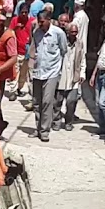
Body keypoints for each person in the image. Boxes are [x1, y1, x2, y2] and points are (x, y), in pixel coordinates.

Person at [27, 9, 68, 141]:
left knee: (47, 101)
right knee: (37, 102)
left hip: (52, 72)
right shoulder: (36, 32)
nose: (40, 24)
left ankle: (45, 130)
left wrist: (59, 70)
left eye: (42, 21)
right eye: (39, 21)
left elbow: (63, 50)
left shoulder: (58, 33)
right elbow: (35, 49)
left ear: (49, 20)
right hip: (38, 71)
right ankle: (38, 128)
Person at [54, 21, 87, 131]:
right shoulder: (61, 42)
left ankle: (68, 122)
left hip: (74, 77)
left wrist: (82, 73)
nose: (74, 34)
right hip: (61, 76)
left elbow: (82, 59)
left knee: (71, 102)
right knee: (57, 102)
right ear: (67, 32)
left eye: (76, 32)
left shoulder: (80, 43)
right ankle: (56, 122)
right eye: (72, 32)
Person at [9, 8, 33, 98]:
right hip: (17, 51)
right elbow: (9, 32)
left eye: (25, 12)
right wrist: (16, 28)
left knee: (24, 73)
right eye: (22, 12)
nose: (23, 14)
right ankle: (13, 91)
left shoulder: (32, 21)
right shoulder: (15, 20)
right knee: (15, 72)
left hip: (27, 52)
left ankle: (19, 88)